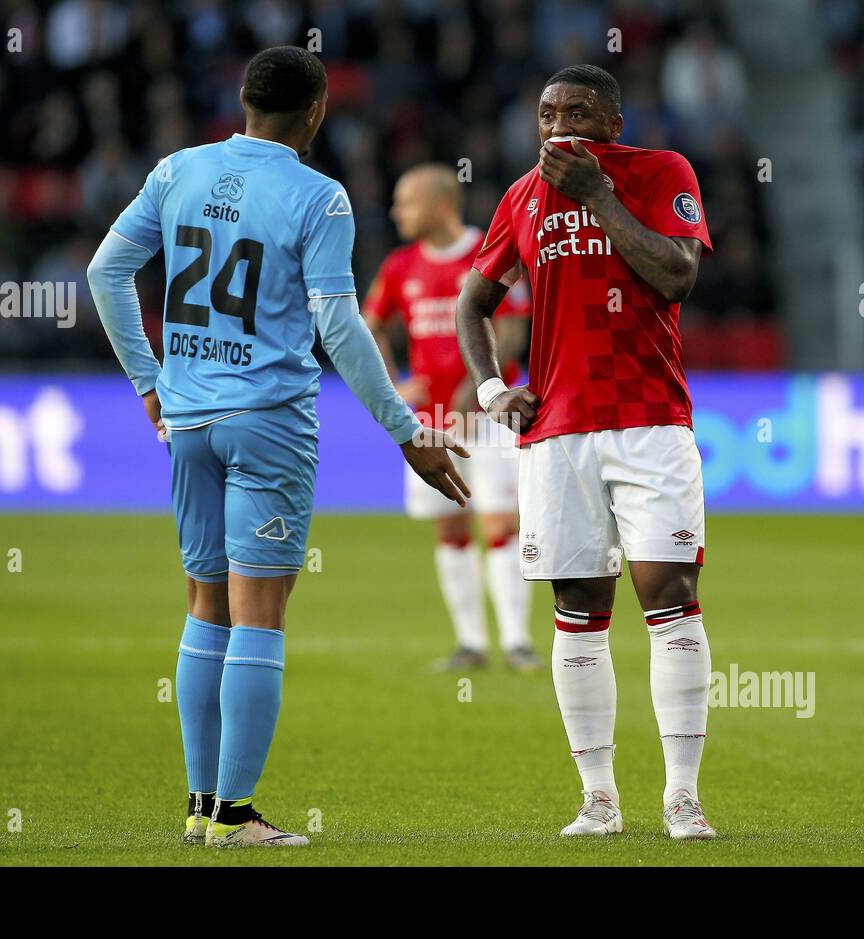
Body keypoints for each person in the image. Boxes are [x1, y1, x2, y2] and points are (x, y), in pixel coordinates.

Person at [87, 46, 469, 848]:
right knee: (260, 611)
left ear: (243, 100)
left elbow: (104, 270)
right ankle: (235, 814)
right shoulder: (320, 197)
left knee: (204, 603)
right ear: (318, 111)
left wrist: (148, 382)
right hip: (268, 422)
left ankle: (200, 805)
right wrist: (407, 432)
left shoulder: (176, 171)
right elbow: (337, 324)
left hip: (186, 422)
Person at [456, 64, 717, 840]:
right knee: (578, 611)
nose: (557, 124)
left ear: (613, 121)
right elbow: (475, 301)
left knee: (668, 595)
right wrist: (490, 387)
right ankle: (599, 798)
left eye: (576, 110)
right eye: (544, 113)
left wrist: (600, 195)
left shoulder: (660, 172)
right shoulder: (519, 198)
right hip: (557, 432)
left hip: (649, 420)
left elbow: (677, 275)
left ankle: (682, 796)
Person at [365, 163, 539, 672]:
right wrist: (393, 385)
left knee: (501, 523)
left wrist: (472, 395)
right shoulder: (400, 267)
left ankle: (516, 642)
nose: (398, 212)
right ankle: (470, 645)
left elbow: (509, 331)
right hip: (429, 422)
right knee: (451, 528)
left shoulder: (489, 251)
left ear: (440, 205)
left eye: (407, 201)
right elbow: (369, 325)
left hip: (490, 418)